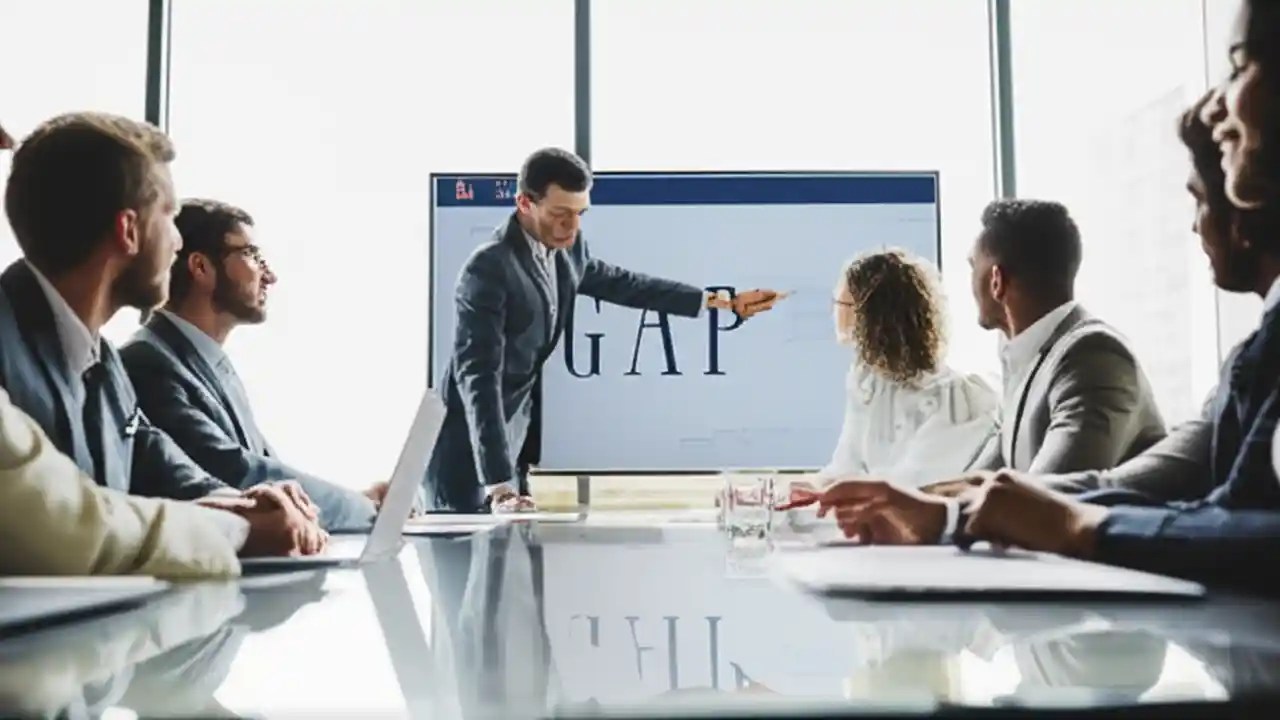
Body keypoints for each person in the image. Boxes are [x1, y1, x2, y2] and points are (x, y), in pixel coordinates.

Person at [806, 1, 1280, 590]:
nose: (1223, 108)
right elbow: (1156, 485)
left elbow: (1107, 496)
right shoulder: (1254, 355)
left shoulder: (1092, 356)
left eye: (1239, 66)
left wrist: (1080, 527)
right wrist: (945, 511)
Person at [0, 111, 325, 554]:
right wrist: (238, 530)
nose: (177, 242)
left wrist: (248, 505)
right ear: (128, 230)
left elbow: (161, 466)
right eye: (169, 215)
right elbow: (69, 521)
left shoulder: (107, 366)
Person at [426, 148, 783, 513]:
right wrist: (499, 485)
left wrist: (720, 301)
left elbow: (626, 285)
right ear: (524, 203)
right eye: (560, 214)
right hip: (466, 464)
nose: (572, 226)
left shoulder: (568, 250)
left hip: (511, 453)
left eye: (580, 213)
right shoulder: (487, 267)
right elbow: (478, 378)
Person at [120, 199, 378, 531]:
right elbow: (238, 472)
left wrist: (357, 501)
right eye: (252, 255)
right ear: (200, 267)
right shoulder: (146, 363)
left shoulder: (205, 361)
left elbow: (271, 472)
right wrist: (365, 512)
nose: (269, 274)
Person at [963, 199, 1165, 475]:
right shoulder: (1028, 356)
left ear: (996, 281)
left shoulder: (1093, 357)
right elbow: (979, 480)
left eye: (973, 266)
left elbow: (1047, 498)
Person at [816, 248, 998, 485]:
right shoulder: (868, 380)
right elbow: (844, 468)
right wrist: (808, 489)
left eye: (840, 302)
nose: (834, 311)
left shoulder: (954, 402)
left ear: (870, 315)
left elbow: (909, 489)